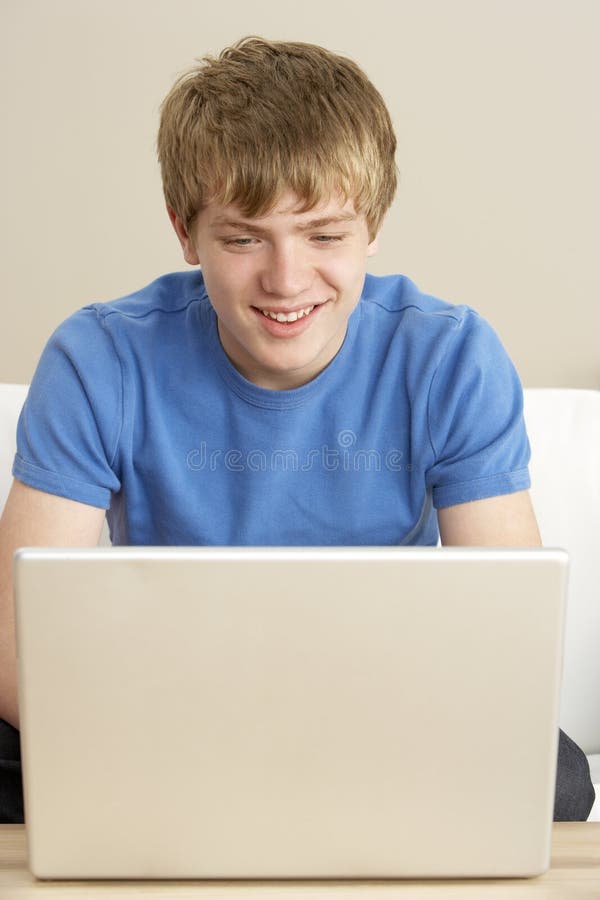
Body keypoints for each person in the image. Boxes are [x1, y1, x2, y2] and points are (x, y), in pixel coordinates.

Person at [0, 36, 594, 824]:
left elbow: (510, 648)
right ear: (186, 233)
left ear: (372, 225)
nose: (286, 281)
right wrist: (210, 739)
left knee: (556, 781)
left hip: (383, 716)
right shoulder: (97, 357)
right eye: (244, 238)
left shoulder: (452, 356)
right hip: (163, 717)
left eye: (324, 234)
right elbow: (17, 657)